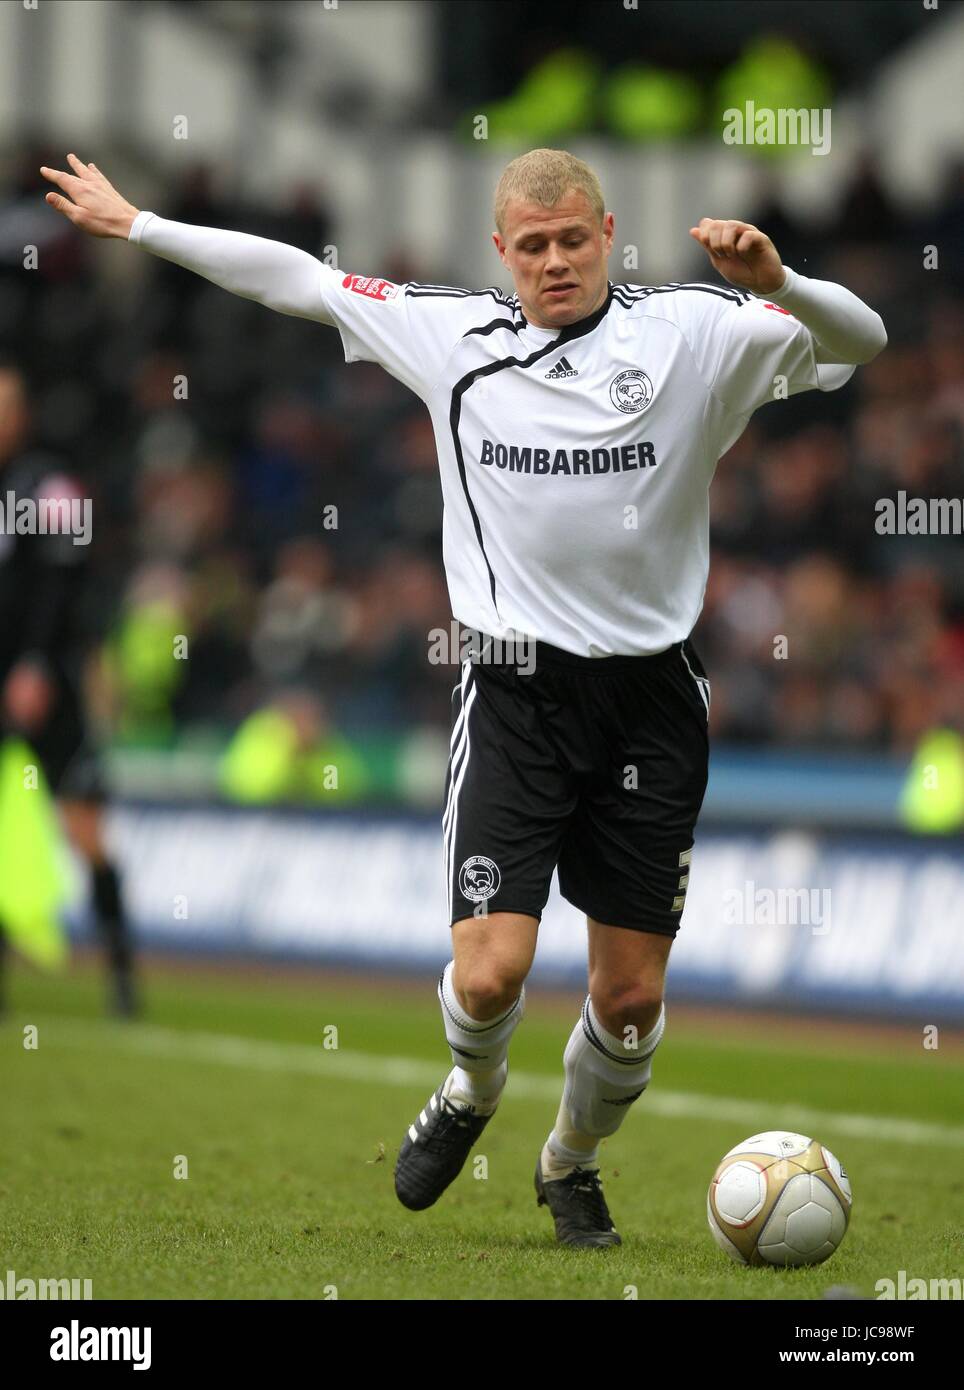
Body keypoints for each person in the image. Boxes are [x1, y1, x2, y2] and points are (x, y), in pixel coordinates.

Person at [40, 147, 886, 1245]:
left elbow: (858, 342)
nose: (552, 263)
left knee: (629, 1004)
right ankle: (469, 1093)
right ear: (501, 253)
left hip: (653, 702)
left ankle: (568, 1161)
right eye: (529, 247)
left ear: (606, 233)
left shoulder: (694, 332)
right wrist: (142, 223)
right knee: (488, 975)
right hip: (516, 693)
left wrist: (776, 281)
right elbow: (296, 277)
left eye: (571, 240)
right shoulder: (456, 338)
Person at [0, 361, 137, 1017]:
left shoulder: (48, 487)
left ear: (22, 416)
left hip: (45, 683)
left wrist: (37, 664)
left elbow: (66, 583)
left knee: (83, 828)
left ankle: (120, 973)